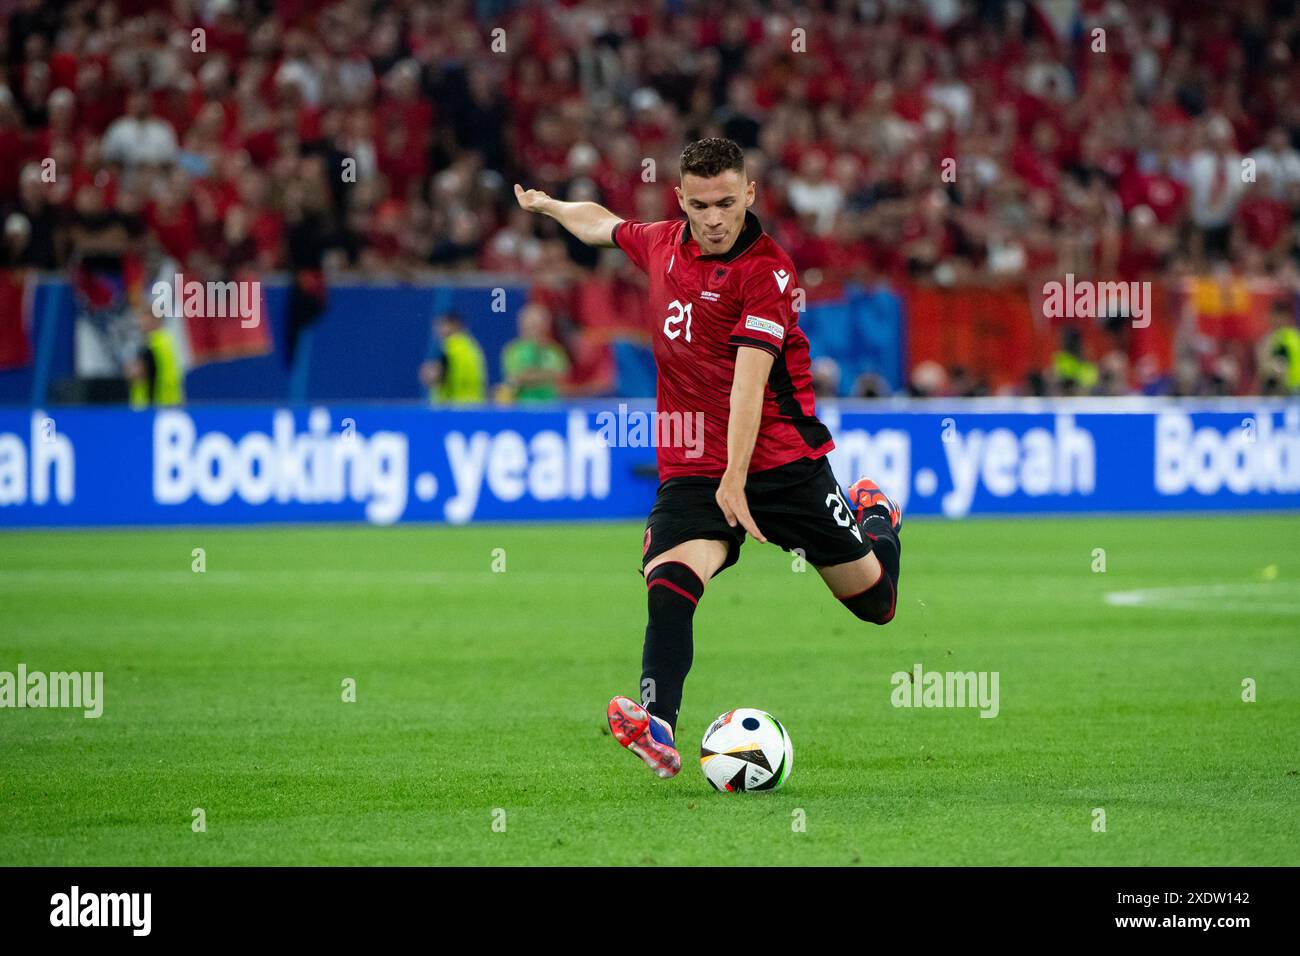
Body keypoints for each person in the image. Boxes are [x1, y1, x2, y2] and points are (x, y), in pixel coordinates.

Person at [515, 137, 903, 780]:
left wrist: (737, 479)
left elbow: (750, 384)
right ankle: (659, 725)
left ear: (749, 194)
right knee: (669, 579)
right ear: (681, 201)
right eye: (700, 205)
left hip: (782, 465)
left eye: (727, 202)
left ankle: (876, 515)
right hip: (694, 462)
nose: (715, 218)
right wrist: (553, 207)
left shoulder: (769, 273)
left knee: (876, 605)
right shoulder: (664, 242)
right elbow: (602, 226)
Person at [500, 302, 569, 402]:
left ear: (545, 326)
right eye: (530, 325)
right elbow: (514, 379)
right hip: (521, 408)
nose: (533, 329)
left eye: (536, 325)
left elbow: (560, 378)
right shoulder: (512, 351)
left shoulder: (554, 351)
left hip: (550, 407)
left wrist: (530, 376)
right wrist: (542, 376)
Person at [419, 311, 486, 403]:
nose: (437, 330)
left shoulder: (451, 348)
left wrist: (428, 374)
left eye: (441, 325)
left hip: (453, 409)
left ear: (454, 325)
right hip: (475, 406)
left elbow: (436, 376)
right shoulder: (471, 347)